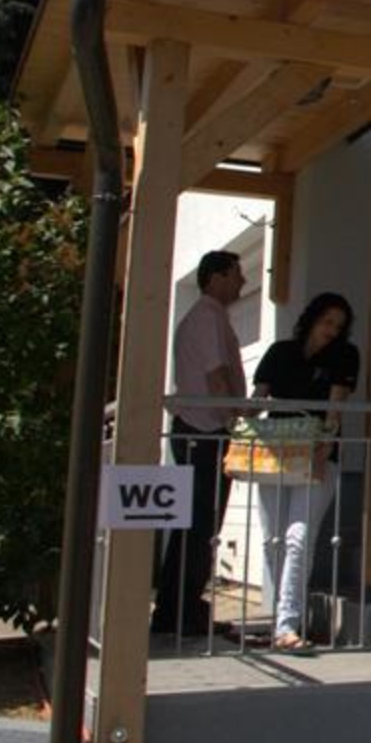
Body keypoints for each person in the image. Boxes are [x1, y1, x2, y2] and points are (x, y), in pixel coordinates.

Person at [247, 292, 359, 654]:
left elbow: (335, 405)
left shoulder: (345, 354)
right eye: (327, 322)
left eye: (338, 326)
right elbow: (257, 399)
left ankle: (287, 625)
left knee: (299, 538)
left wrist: (325, 447)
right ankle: (280, 619)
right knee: (273, 539)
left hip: (316, 453)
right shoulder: (281, 351)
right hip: (273, 452)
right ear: (312, 318)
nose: (332, 331)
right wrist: (238, 443)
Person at [153, 249, 247, 637]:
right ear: (217, 277)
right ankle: (180, 613)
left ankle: (180, 609)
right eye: (236, 274)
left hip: (199, 430)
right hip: (203, 432)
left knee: (196, 524)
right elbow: (216, 375)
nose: (242, 281)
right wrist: (232, 421)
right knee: (200, 523)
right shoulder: (207, 317)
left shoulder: (208, 316)